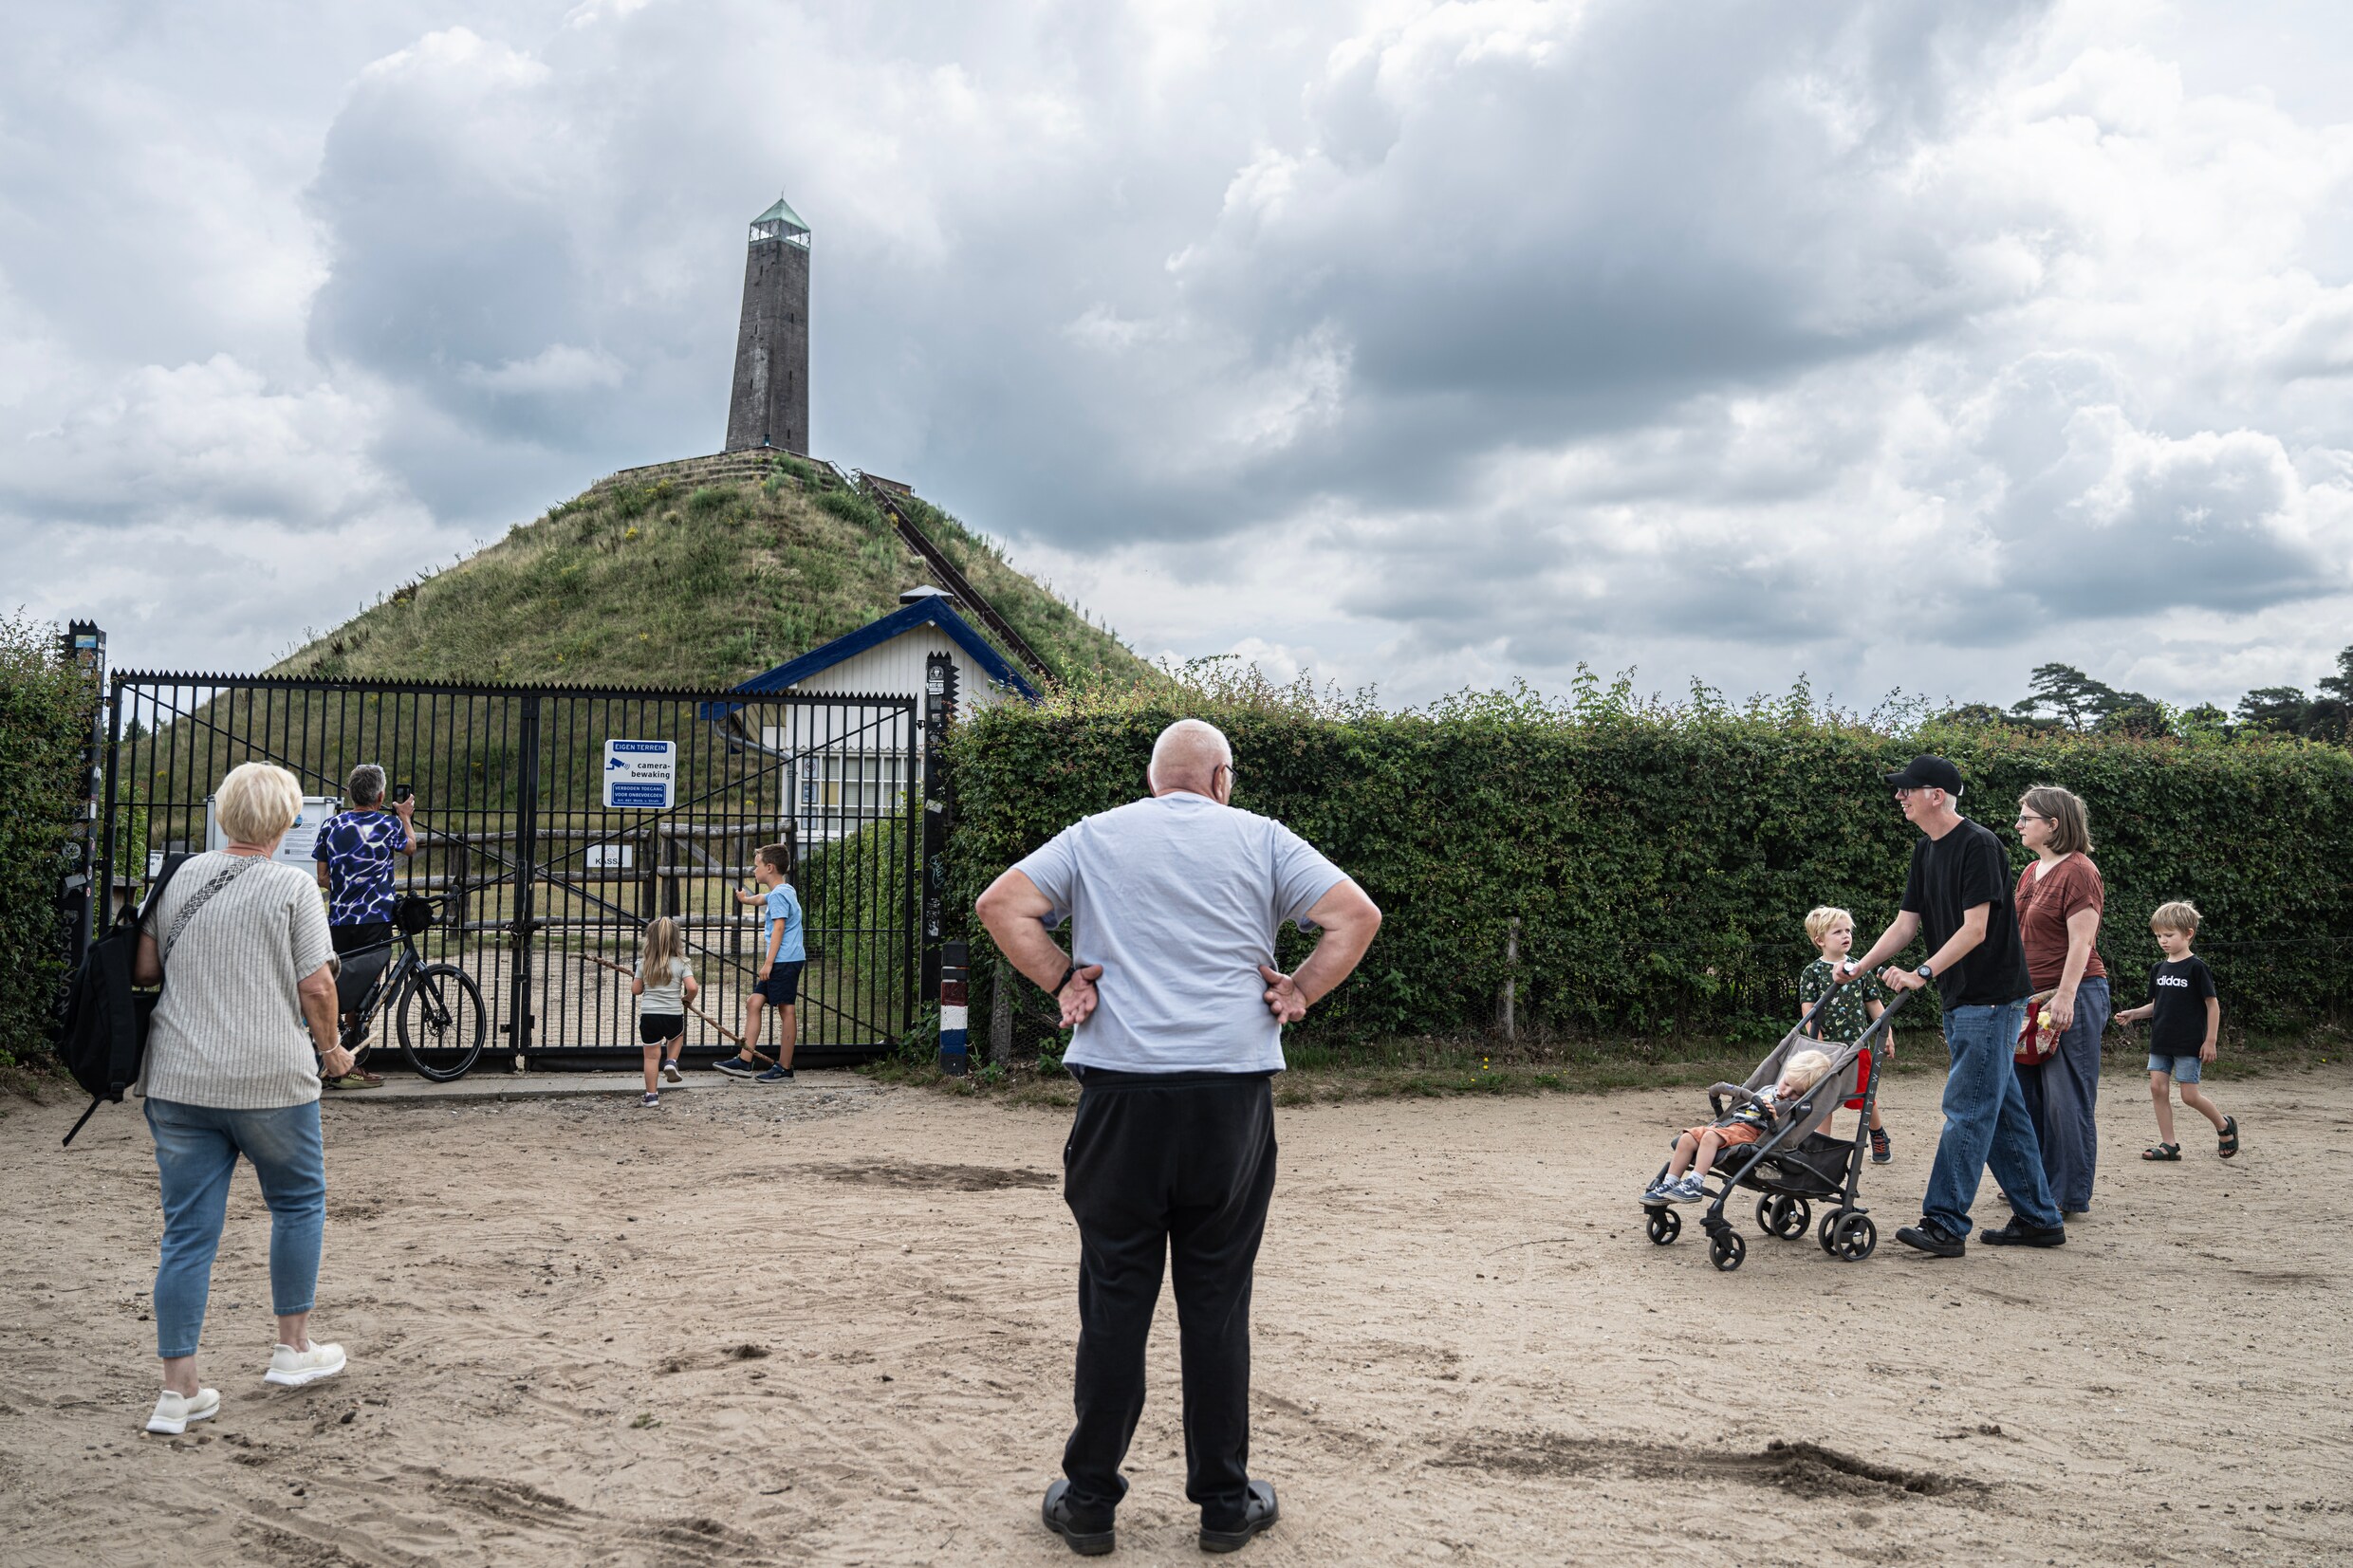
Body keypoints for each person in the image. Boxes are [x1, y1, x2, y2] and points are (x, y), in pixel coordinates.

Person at [974, 718, 1381, 1558]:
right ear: (1221, 778)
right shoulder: (1263, 840)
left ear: (1154, 780)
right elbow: (1354, 916)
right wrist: (1299, 990)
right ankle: (1225, 1504)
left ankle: (1090, 1501)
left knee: (1114, 1296)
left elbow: (1001, 904)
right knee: (1217, 1301)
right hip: (1228, 1100)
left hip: (1121, 1095)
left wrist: (1062, 977)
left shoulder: (1096, 835)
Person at [133, 761, 353, 1435]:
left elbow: (144, 967)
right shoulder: (293, 886)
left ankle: (178, 1391)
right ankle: (292, 1348)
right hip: (270, 1080)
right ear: (286, 821)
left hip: (179, 1079)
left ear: (225, 814)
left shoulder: (179, 877)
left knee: (187, 1232)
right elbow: (317, 985)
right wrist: (332, 1050)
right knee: (298, 1202)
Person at [1843, 755, 2066, 1258]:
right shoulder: (1926, 849)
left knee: (1967, 1110)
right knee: (2000, 1111)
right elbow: (1906, 923)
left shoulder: (1978, 845)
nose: (1899, 796)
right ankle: (2039, 1218)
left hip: (1991, 998)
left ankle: (1944, 1223)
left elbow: (1976, 929)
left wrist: (1921, 973)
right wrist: (1860, 967)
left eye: (1907, 789)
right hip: (1964, 998)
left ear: (1936, 795)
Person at [2010, 785, 2109, 1215]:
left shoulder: (2080, 871)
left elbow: (2081, 941)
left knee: (2064, 1099)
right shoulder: (2031, 871)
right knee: (2027, 1098)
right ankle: (2035, 1185)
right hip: (2031, 999)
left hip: (2072, 996)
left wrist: (2066, 995)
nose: (2018, 824)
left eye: (2026, 818)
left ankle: (2066, 1194)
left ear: (2053, 824)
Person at [311, 764, 418, 1090]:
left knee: (340, 987)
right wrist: (405, 816)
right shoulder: (387, 824)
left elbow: (322, 876)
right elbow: (410, 846)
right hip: (375, 918)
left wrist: (347, 888)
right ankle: (351, 1062)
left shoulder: (332, 825)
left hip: (339, 919)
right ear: (381, 796)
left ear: (350, 794)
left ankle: (335, 1056)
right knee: (366, 989)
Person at [2114, 901, 2238, 1162]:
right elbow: (2157, 1005)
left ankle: (2224, 1125)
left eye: (2169, 935)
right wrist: (2134, 1013)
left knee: (2189, 1096)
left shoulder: (2197, 967)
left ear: (2188, 933)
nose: (2163, 941)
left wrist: (2211, 1041)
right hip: (2161, 1041)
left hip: (2189, 1042)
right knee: (2157, 1088)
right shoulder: (2158, 969)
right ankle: (2169, 1145)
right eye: (2159, 935)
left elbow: (2212, 1005)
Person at [1644, 1048, 1836, 1204]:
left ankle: (1694, 1184)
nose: (1786, 1092)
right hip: (1732, 1125)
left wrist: (1774, 1117)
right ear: (1784, 1073)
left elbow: (1784, 1134)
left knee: (1710, 1138)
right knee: (1687, 1138)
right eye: (1786, 1083)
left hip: (1754, 1132)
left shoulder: (1793, 1107)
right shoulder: (1768, 1089)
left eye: (1796, 1092)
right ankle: (1669, 1183)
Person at [1796, 907, 1894, 1161]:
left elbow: (1874, 1003)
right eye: (1837, 931)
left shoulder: (1860, 968)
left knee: (1865, 1095)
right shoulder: (1812, 972)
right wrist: (1817, 1042)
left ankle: (1878, 1135)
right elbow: (1808, 1009)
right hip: (1826, 1051)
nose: (1845, 935)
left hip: (1857, 1047)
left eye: (1848, 930)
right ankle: (1821, 1146)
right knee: (1824, 1098)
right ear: (1820, 940)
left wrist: (1887, 1033)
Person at [715, 844, 802, 1083]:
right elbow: (763, 898)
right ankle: (744, 1061)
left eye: (757, 865)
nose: (754, 870)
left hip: (784, 960)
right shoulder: (783, 890)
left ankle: (784, 1068)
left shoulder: (780, 895)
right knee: (754, 1002)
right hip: (784, 959)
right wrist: (746, 900)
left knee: (786, 1010)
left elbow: (779, 928)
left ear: (769, 867)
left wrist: (768, 963)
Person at [632, 915, 696, 1107]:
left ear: (650, 940)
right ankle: (671, 1061)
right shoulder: (682, 962)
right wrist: (687, 999)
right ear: (676, 940)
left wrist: (642, 981)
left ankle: (651, 1096)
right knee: (676, 1037)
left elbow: (636, 990)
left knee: (651, 1057)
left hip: (650, 1016)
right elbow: (692, 987)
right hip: (672, 1014)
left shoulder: (643, 963)